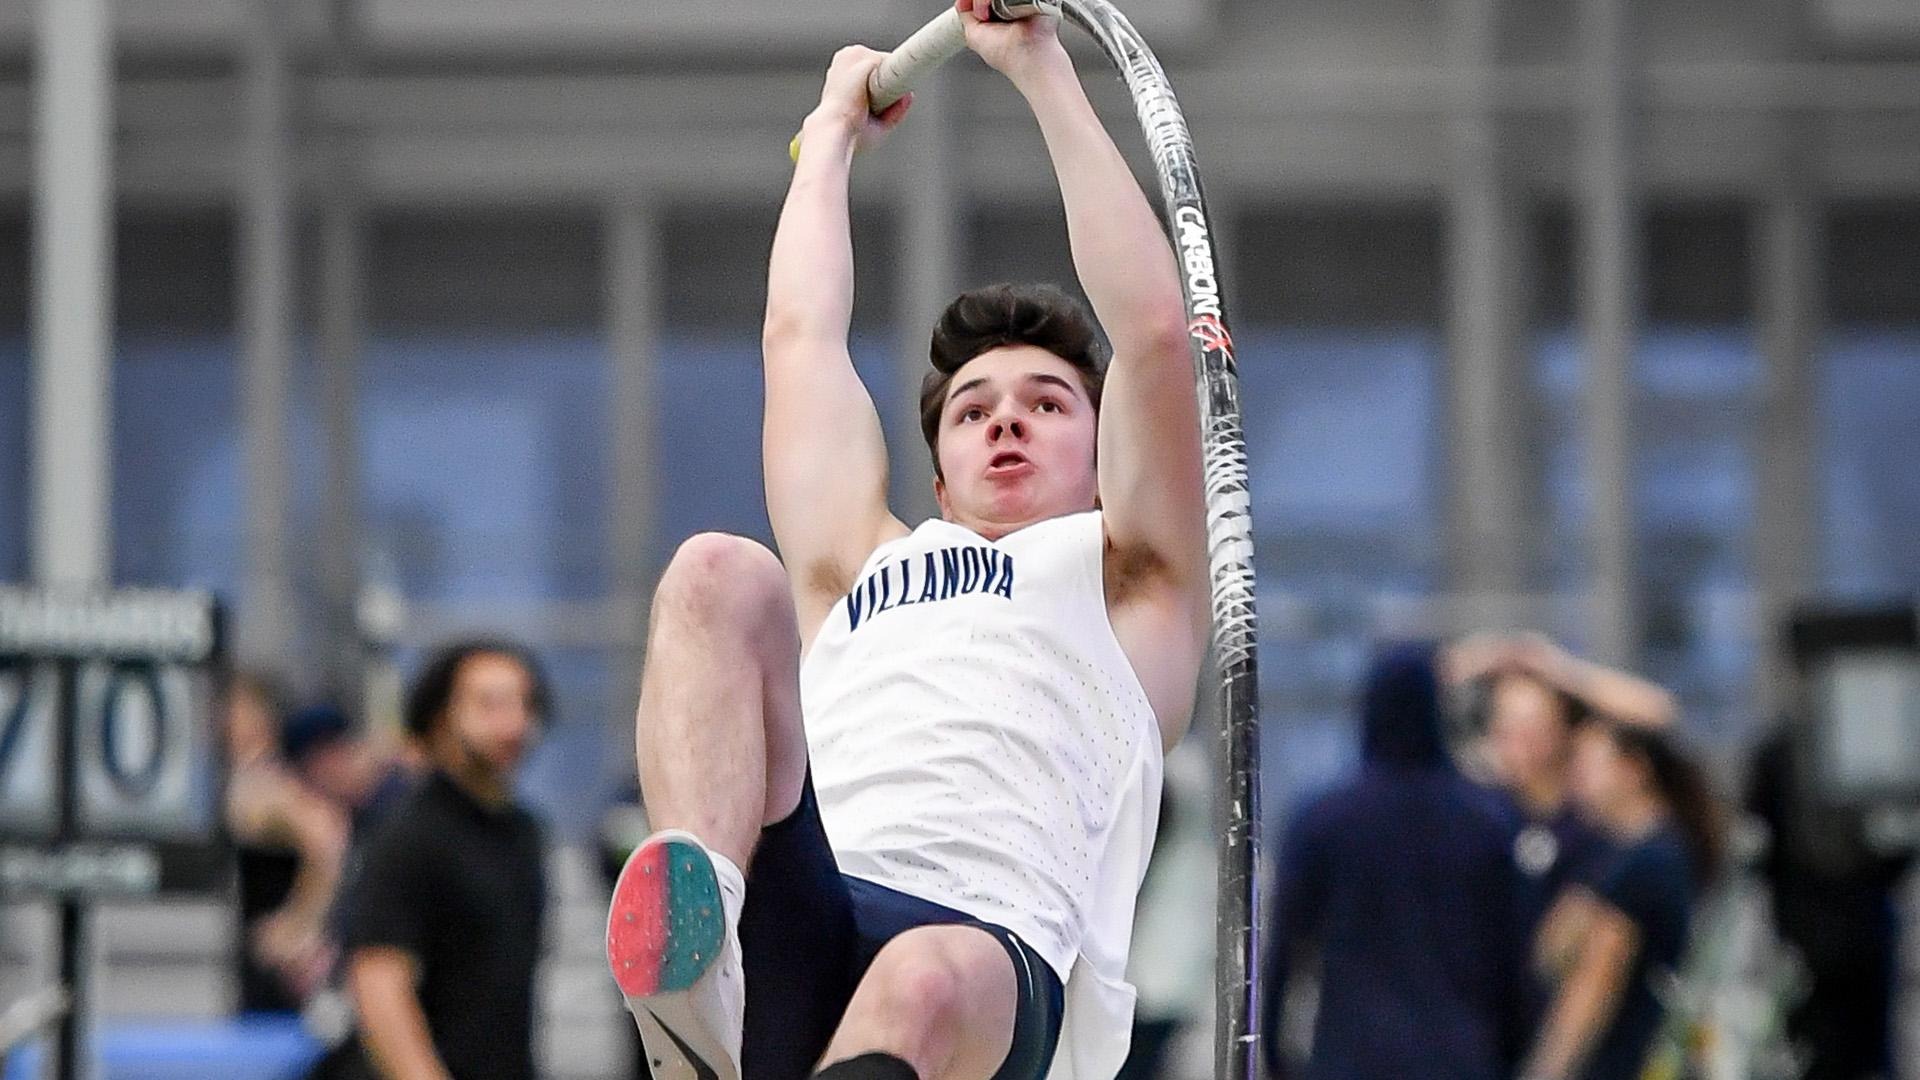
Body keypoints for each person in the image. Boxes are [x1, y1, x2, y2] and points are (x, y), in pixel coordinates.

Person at [603, 1, 1209, 1077]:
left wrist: (1038, 65)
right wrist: (829, 138)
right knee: (715, 573)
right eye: (974, 411)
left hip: (988, 963)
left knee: (922, 977)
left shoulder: (1133, 583)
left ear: (1104, 450)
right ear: (938, 477)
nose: (1006, 421)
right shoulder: (862, 565)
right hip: (811, 910)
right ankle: (700, 958)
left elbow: (1159, 335)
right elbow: (799, 339)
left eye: (1047, 404)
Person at [1261, 643, 1530, 1080]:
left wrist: (1274, 1052)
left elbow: (1286, 945)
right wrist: (1511, 1052)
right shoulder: (1487, 820)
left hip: (1352, 1053)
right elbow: (1512, 955)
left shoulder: (1323, 820)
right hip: (1459, 1054)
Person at [340, 640, 550, 1080]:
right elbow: (379, 982)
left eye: (523, 704)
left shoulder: (524, 832)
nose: (513, 723)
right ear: (440, 718)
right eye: (489, 705)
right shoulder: (409, 835)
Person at [1447, 634, 1678, 1026]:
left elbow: (1659, 712)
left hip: (1572, 1010)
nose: (1522, 745)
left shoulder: (1588, 817)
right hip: (1492, 1017)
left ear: (1562, 731)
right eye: (1509, 730)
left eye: (1534, 729)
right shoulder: (1482, 812)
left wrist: (1555, 668)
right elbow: (1413, 688)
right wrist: (1486, 660)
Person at [1522, 720, 1724, 1080]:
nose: (1577, 779)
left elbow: (1593, 983)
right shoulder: (1614, 853)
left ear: (1633, 769)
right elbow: (1549, 953)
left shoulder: (1649, 862)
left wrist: (1545, 1071)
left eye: (1589, 764)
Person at [224, 671, 352, 1013]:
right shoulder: (244, 778)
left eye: (232, 709)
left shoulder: (264, 785)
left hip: (275, 961)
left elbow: (326, 836)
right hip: (253, 949)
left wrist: (300, 926)